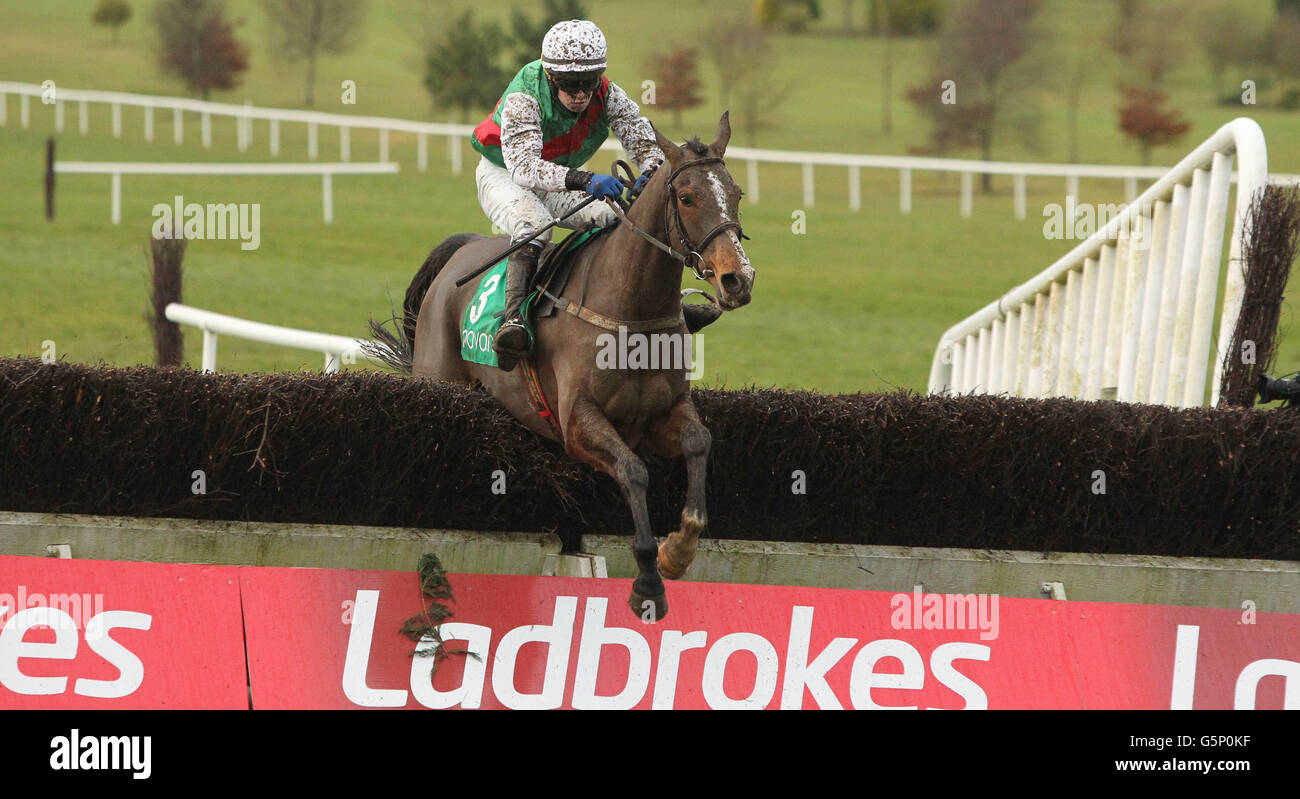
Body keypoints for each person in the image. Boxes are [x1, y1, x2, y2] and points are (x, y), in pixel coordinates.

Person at [470, 19, 674, 371]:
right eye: (569, 85)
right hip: (505, 173)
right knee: (536, 223)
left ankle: (660, 307)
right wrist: (585, 179)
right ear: (550, 77)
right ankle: (513, 319)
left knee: (619, 216)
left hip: (559, 178)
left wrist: (651, 174)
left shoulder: (608, 94)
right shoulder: (525, 94)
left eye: (588, 83)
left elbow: (644, 140)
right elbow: (524, 169)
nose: (580, 94)